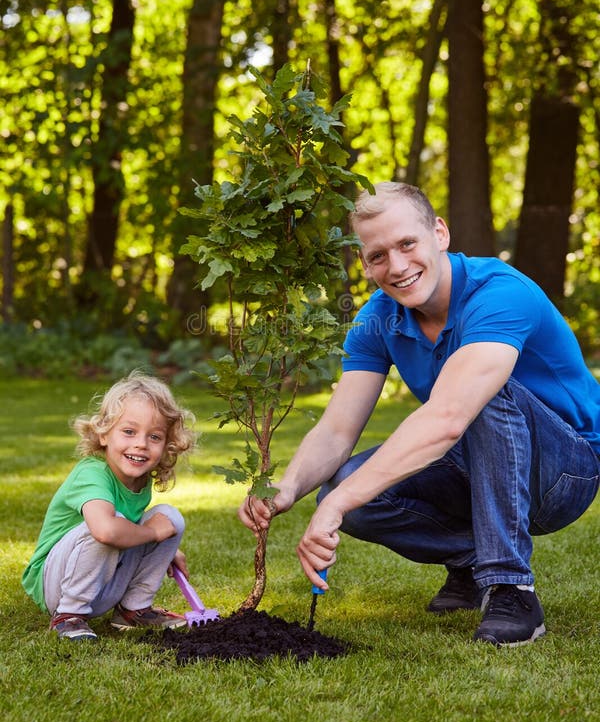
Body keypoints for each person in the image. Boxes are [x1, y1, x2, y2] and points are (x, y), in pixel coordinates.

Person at [238, 181, 600, 647]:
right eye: (378, 256)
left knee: (480, 393)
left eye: (407, 243)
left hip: (565, 473)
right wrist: (285, 489)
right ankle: (472, 562)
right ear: (365, 264)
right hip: (475, 461)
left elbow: (449, 416)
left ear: (439, 234)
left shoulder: (500, 293)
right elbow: (337, 430)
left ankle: (511, 587)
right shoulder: (377, 318)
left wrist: (335, 505)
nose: (397, 266)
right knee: (350, 485)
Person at [23, 371, 196, 641]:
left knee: (169, 517)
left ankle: (133, 609)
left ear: (166, 445)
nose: (141, 444)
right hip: (57, 586)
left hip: (100, 583)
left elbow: (130, 529)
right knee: (111, 523)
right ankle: (68, 615)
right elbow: (105, 531)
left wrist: (159, 547)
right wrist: (152, 534)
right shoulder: (92, 473)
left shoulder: (140, 480)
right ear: (104, 434)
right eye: (129, 432)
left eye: (154, 437)